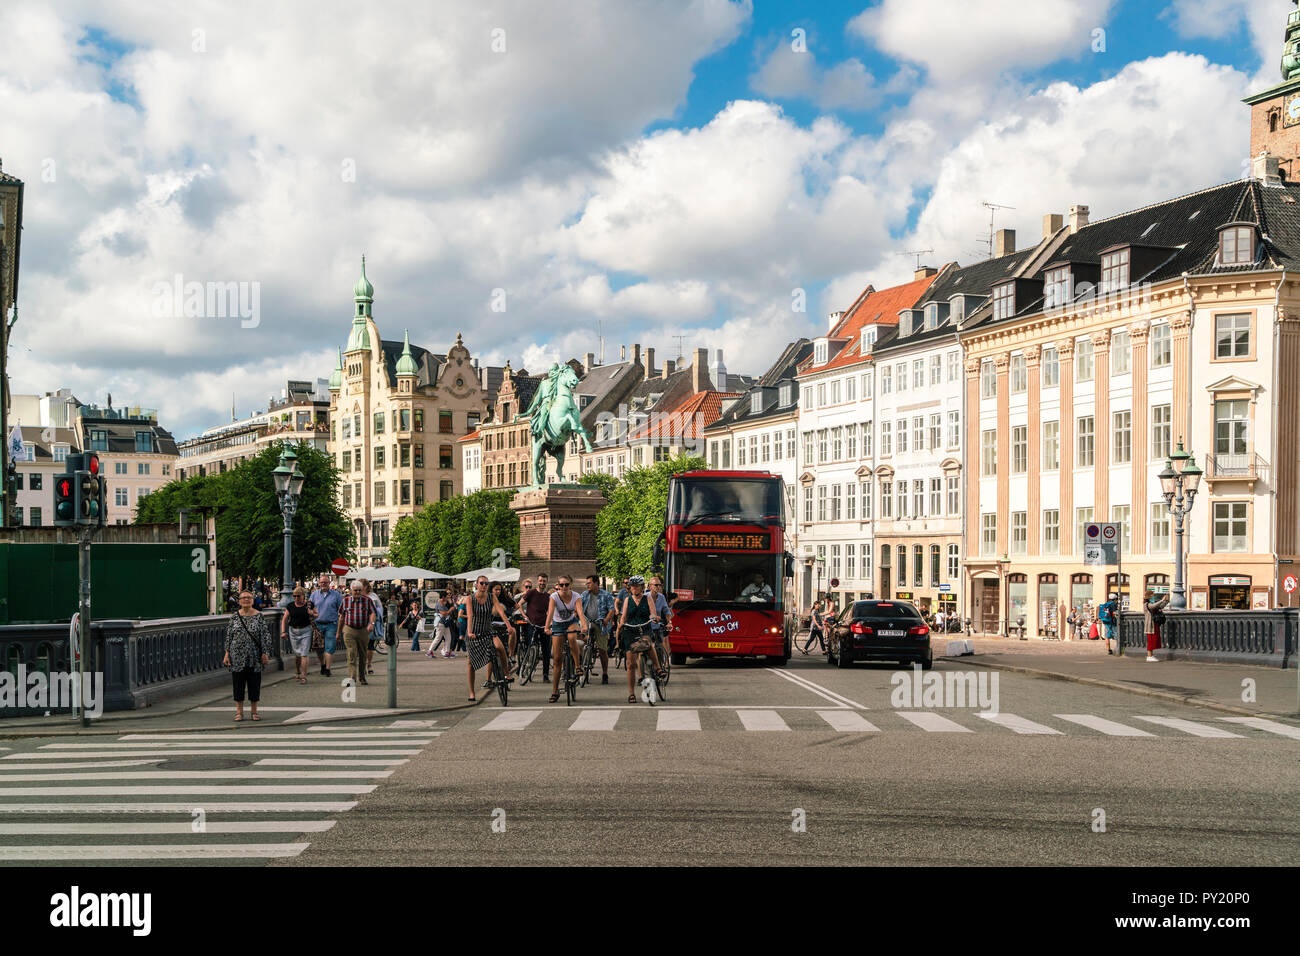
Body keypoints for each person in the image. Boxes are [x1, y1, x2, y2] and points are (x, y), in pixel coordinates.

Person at [465, 575, 515, 702]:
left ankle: (506, 673)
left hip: (488, 631)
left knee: (500, 647)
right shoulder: (470, 598)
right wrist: (470, 632)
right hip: (474, 632)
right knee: (471, 663)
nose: (484, 586)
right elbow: (470, 615)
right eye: (481, 583)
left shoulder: (491, 597)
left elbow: (501, 612)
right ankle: (471, 692)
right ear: (476, 585)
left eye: (486, 584)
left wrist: (509, 626)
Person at [224, 590, 271, 721]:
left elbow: (265, 636)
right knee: (238, 683)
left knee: (254, 683)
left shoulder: (259, 616)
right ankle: (239, 712)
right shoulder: (234, 617)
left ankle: (254, 711)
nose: (246, 600)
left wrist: (265, 653)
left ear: (252, 600)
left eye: (249, 598)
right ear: (239, 601)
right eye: (243, 598)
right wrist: (227, 654)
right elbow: (229, 636)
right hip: (237, 655)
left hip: (254, 656)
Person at [619, 575, 664, 703]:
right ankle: (631, 693)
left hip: (644, 628)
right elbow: (624, 616)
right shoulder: (628, 600)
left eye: (636, 586)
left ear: (642, 587)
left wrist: (654, 617)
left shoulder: (647, 598)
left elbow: (652, 612)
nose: (634, 588)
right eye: (632, 586)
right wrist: (621, 624)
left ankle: (657, 668)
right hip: (630, 630)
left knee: (648, 643)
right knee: (630, 664)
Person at [546, 575, 588, 702]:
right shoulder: (554, 597)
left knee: (571, 637)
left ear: (571, 585)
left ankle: (577, 666)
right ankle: (555, 691)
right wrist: (547, 627)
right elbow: (551, 612)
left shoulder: (576, 596)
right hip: (558, 624)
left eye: (567, 584)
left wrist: (584, 626)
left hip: (571, 622)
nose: (564, 587)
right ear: (558, 586)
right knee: (558, 659)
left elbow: (580, 612)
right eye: (561, 585)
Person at [339, 580, 376, 686]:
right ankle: (352, 678)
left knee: (362, 654)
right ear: (351, 590)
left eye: (360, 590)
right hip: (349, 629)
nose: (358, 592)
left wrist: (371, 623)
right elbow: (341, 617)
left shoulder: (367, 600)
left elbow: (373, 613)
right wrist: (338, 632)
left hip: (363, 630)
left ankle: (362, 677)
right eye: (355, 590)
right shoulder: (345, 601)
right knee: (351, 654)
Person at [581, 574, 616, 684]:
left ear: (596, 583)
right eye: (586, 583)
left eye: (589, 583)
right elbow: (579, 607)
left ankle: (605, 673)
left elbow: (611, 609)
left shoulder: (606, 595)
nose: (588, 585)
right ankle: (585, 659)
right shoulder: (585, 594)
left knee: (602, 650)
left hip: (600, 623)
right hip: (587, 621)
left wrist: (606, 620)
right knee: (580, 641)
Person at [280, 585, 317, 684]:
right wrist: (283, 632)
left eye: (298, 596)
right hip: (293, 631)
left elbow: (317, 614)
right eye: (294, 596)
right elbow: (284, 619)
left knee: (304, 654)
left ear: (303, 596)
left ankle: (304, 676)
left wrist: (312, 613)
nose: (296, 598)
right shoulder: (291, 605)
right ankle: (297, 670)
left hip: (306, 630)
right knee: (297, 655)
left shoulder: (309, 605)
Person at [522, 572, 552, 683]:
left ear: (547, 582)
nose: (542, 583)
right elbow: (519, 604)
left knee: (546, 651)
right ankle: (528, 668)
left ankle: (545, 675)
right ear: (537, 581)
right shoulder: (531, 593)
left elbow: (550, 611)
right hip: (532, 624)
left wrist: (550, 622)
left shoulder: (548, 596)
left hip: (544, 625)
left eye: (544, 581)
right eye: (540, 580)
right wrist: (524, 615)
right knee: (530, 647)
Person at [309, 574, 342, 676]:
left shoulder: (336, 595)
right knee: (319, 648)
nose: (323, 584)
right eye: (322, 582)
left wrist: (340, 627)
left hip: (331, 624)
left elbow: (341, 610)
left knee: (330, 647)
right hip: (318, 624)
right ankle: (322, 665)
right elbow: (309, 608)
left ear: (329, 583)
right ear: (319, 583)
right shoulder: (314, 595)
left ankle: (327, 669)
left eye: (325, 582)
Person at [648, 575, 673, 660]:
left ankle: (662, 663)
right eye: (656, 585)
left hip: (657, 625)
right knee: (645, 647)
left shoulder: (661, 597)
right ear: (650, 586)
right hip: (646, 626)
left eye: (660, 585)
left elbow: (666, 611)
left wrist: (669, 622)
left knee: (661, 645)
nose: (658, 587)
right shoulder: (645, 597)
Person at [1143, 589, 1169, 662]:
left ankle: (1151, 655)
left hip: (1154, 624)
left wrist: (1166, 601)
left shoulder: (1151, 603)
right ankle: (1149, 656)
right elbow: (1153, 606)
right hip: (1150, 625)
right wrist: (1161, 600)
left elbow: (1160, 607)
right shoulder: (1147, 604)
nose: (1153, 597)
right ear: (1149, 596)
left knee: (1154, 640)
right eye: (1152, 595)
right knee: (1151, 640)